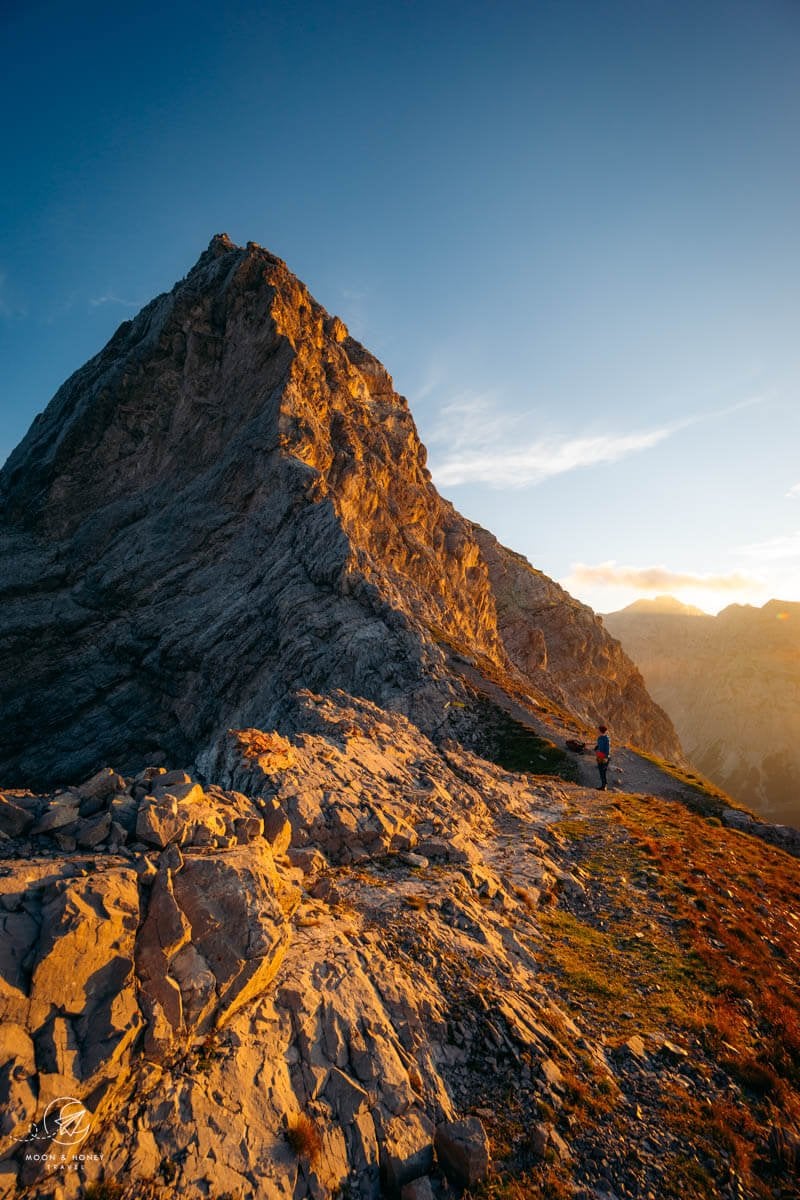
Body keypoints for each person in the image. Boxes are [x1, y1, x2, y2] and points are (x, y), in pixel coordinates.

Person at [594, 725, 610, 790]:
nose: (597, 731)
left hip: (602, 756)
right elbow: (606, 747)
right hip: (607, 756)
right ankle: (604, 785)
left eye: (598, 730)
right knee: (603, 771)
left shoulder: (600, 738)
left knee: (601, 771)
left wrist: (597, 751)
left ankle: (604, 786)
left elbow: (602, 748)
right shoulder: (607, 738)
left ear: (600, 731)